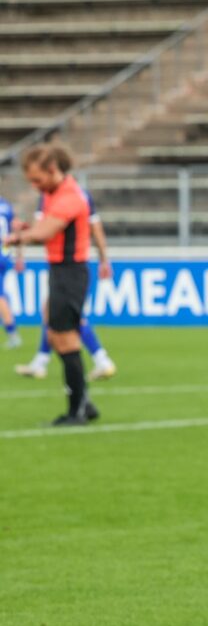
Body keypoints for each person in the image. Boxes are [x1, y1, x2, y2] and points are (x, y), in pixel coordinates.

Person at [3, 144, 106, 426]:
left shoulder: (70, 196)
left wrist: (14, 239)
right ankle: (84, 403)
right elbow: (44, 229)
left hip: (70, 272)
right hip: (61, 271)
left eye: (37, 179)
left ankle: (78, 411)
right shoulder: (54, 194)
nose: (35, 186)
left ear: (52, 170)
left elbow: (46, 232)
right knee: (60, 335)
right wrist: (26, 232)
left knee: (64, 337)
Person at [18, 185, 117, 381]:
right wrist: (104, 259)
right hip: (77, 265)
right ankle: (42, 360)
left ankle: (100, 360)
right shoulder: (82, 194)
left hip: (66, 267)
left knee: (68, 319)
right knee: (53, 313)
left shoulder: (51, 197)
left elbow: (41, 231)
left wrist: (22, 234)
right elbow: (95, 227)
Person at [0, 193, 17, 349]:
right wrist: (20, 256)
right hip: (5, 254)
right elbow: (15, 229)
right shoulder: (6, 206)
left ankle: (12, 334)